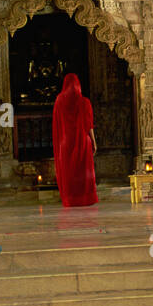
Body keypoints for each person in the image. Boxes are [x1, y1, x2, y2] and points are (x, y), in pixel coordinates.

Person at [52, 72, 98, 207]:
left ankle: (70, 199)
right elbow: (89, 125)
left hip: (65, 142)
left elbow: (56, 125)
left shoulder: (59, 101)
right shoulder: (85, 102)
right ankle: (85, 199)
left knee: (69, 173)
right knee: (84, 172)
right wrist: (94, 142)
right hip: (83, 141)